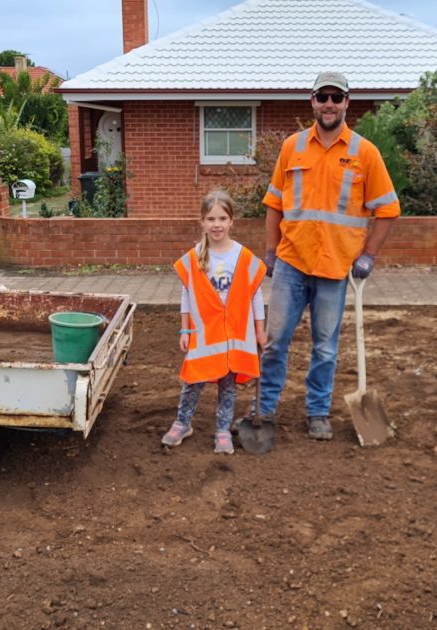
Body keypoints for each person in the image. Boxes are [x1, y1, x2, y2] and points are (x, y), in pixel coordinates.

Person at [258, 71, 400, 441]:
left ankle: (317, 412)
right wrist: (271, 253)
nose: (329, 104)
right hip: (291, 263)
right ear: (313, 102)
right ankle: (266, 408)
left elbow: (388, 209)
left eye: (337, 97)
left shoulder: (364, 153)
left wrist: (369, 255)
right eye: (323, 97)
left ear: (347, 103)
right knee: (274, 343)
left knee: (325, 346)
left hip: (336, 268)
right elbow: (274, 204)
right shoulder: (292, 147)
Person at [163, 190, 267, 454]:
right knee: (193, 381)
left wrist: (260, 330)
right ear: (202, 222)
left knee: (228, 386)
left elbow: (255, 294)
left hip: (235, 334)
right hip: (204, 334)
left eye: (222, 218)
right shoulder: (195, 257)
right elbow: (187, 294)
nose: (217, 224)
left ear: (232, 221)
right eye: (211, 219)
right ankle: (183, 423)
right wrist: (185, 328)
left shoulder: (243, 257)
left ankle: (222, 430)